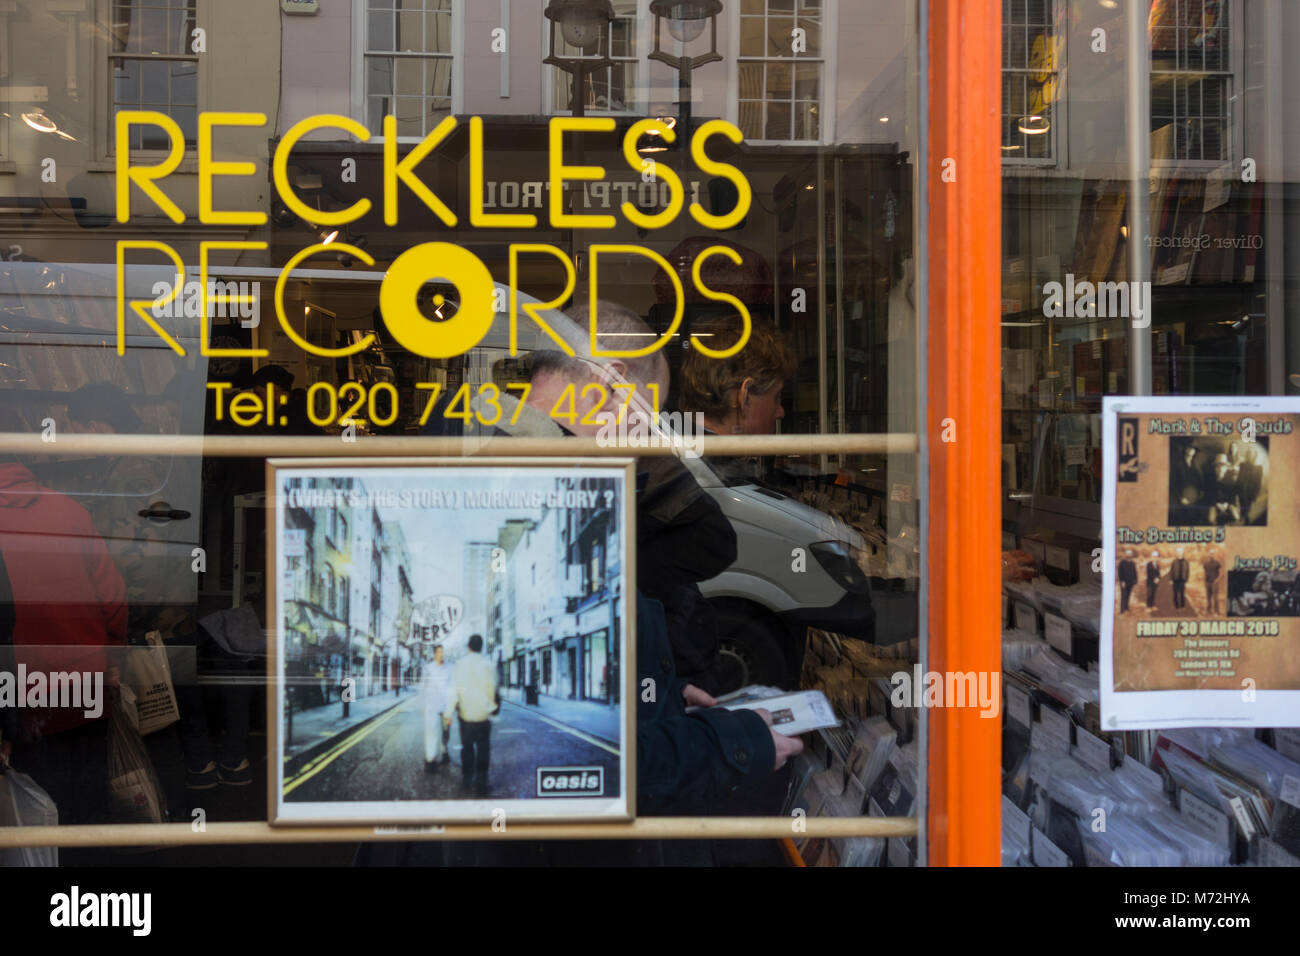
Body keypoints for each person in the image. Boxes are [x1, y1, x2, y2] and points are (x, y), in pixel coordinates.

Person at [479, 300, 746, 696]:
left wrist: (653, 692)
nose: (648, 434)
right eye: (649, 414)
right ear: (612, 386)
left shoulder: (488, 449)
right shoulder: (560, 478)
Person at [0, 407, 128, 825]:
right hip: (84, 677)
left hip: (22, 688)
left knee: (32, 803)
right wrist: (110, 662)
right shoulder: (71, 511)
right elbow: (113, 600)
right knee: (88, 802)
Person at [443, 634, 498, 797]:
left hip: (466, 715)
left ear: (468, 647)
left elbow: (453, 690)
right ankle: (481, 781)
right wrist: (491, 708)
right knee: (483, 749)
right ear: (481, 647)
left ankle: (467, 779)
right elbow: (492, 689)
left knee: (467, 749)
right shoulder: (489, 664)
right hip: (483, 715)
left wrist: (448, 712)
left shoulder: (459, 665)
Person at [422, 644, 452, 772]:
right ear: (434, 654)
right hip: (432, 706)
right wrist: (423, 704)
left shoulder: (449, 668)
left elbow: (452, 687)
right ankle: (430, 760)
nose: (441, 654)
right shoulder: (428, 669)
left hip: (445, 706)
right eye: (439, 652)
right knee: (431, 733)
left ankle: (444, 750)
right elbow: (423, 686)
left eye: (442, 652)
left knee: (446, 732)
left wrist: (452, 707)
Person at [1169, 443, 1203, 525]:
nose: (1191, 451)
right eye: (1190, 448)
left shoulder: (1195, 464)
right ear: (1186, 450)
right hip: (1181, 496)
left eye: (1193, 449)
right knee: (1183, 518)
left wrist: (1199, 493)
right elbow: (1173, 484)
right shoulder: (1178, 464)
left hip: (1194, 496)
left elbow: (1199, 481)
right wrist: (1181, 497)